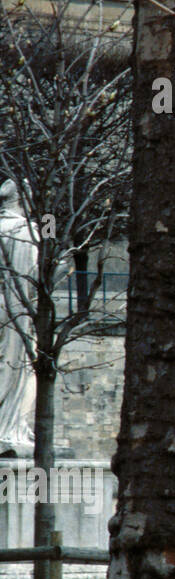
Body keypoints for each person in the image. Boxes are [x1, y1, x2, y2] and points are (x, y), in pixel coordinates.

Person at [0, 180, 37, 457]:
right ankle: (10, 425)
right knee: (19, 368)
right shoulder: (26, 231)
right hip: (14, 309)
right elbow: (36, 276)